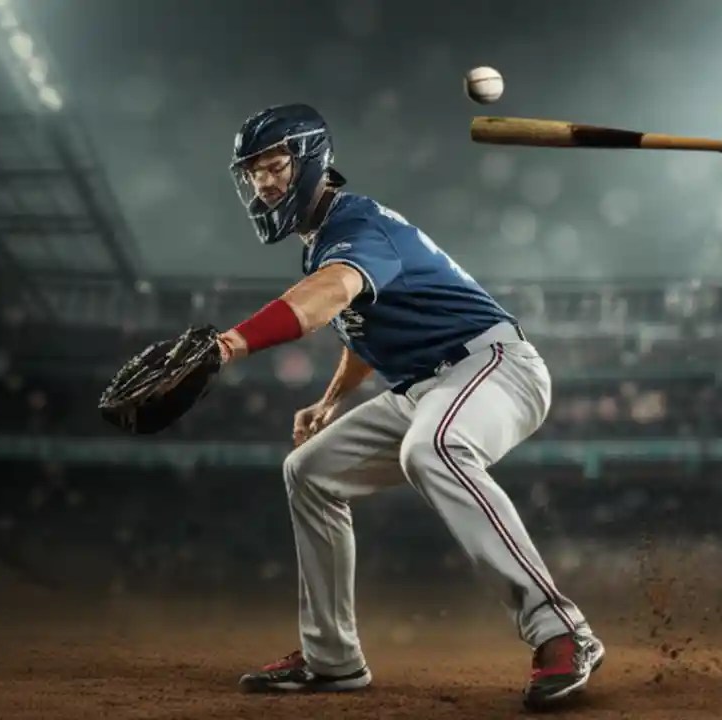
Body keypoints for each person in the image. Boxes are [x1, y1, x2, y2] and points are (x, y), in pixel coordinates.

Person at [216, 103, 603, 710]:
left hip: (494, 366)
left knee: (434, 447)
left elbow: (325, 300)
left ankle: (560, 629)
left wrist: (230, 343)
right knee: (309, 472)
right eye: (253, 171)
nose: (263, 181)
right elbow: (362, 331)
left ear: (311, 158)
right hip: (429, 385)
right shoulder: (325, 240)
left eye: (274, 164)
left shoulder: (357, 224)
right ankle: (331, 659)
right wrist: (330, 401)